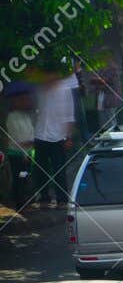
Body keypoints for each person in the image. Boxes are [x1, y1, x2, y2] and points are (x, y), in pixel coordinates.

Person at [31, 68, 77, 208]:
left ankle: (62, 199)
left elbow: (69, 114)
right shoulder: (39, 89)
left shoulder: (64, 90)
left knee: (59, 169)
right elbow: (35, 110)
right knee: (41, 169)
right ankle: (44, 198)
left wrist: (68, 136)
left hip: (58, 136)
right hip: (40, 134)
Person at [2, 91, 35, 208]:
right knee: (19, 177)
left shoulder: (26, 116)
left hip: (28, 154)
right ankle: (19, 202)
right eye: (23, 99)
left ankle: (26, 200)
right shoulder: (11, 117)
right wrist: (25, 150)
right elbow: (17, 138)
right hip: (17, 155)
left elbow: (30, 133)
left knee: (25, 176)